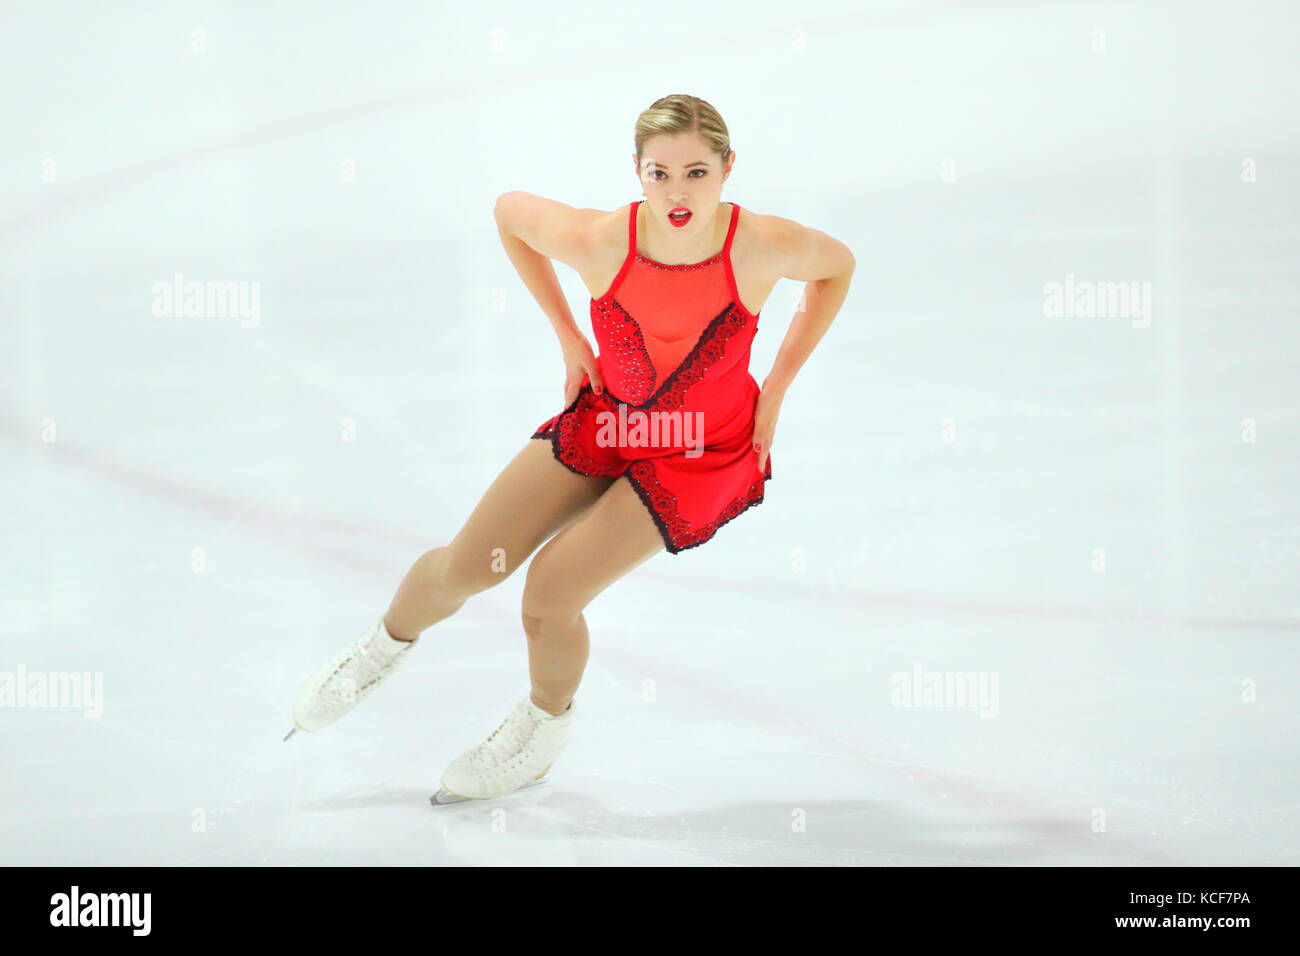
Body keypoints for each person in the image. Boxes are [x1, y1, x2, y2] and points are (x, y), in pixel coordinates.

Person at [286, 94, 856, 803]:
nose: (678, 193)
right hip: (609, 423)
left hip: (699, 453)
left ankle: (541, 730)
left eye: (697, 172)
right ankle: (380, 648)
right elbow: (508, 213)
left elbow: (838, 268)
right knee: (470, 565)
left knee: (550, 594)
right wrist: (567, 333)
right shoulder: (597, 241)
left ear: (728, 167)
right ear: (636, 171)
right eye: (660, 173)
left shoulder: (764, 245)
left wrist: (778, 385)